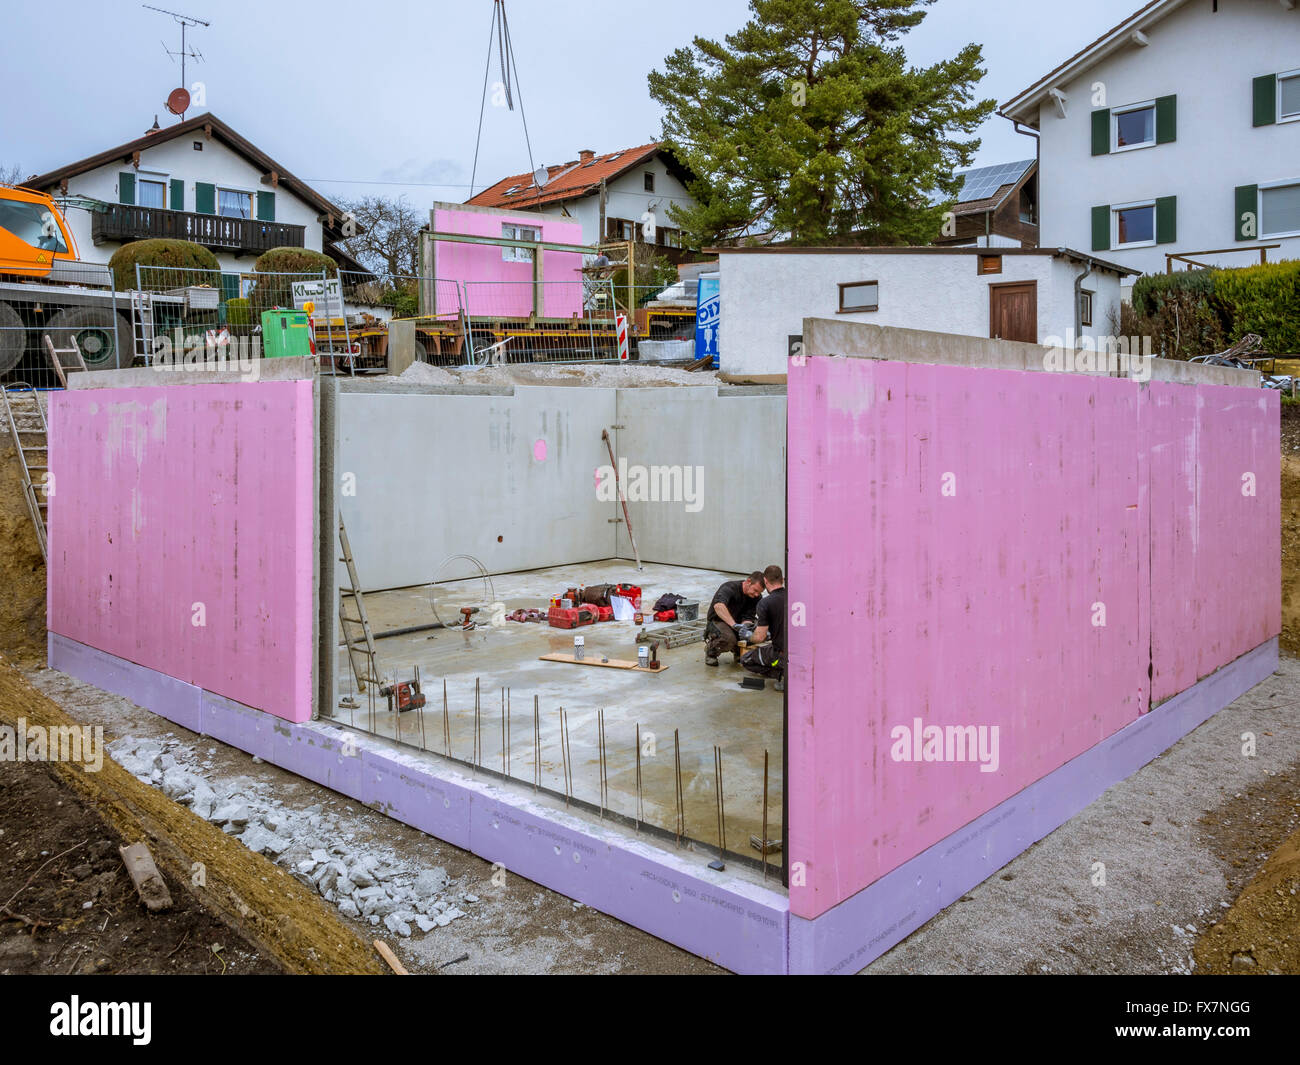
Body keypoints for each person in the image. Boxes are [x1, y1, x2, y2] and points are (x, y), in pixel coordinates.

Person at [704, 572, 764, 666]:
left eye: (759, 592)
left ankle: (739, 652)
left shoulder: (756, 597)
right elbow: (718, 606)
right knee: (729, 639)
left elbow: (749, 616)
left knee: (757, 630)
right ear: (748, 582)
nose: (757, 594)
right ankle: (711, 651)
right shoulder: (729, 588)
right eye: (755, 590)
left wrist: (746, 627)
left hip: (737, 622)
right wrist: (734, 625)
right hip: (718, 620)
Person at [742, 565, 787, 692]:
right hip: (800, 653)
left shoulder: (765, 603)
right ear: (782, 580)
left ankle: (782, 674)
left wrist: (747, 635)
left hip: (781, 654)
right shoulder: (795, 597)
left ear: (765, 581)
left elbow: (759, 637)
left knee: (746, 660)